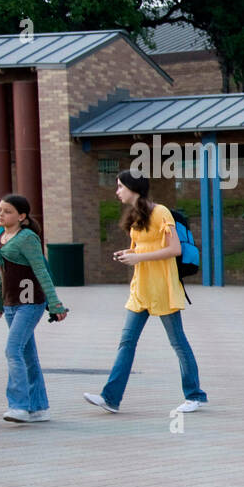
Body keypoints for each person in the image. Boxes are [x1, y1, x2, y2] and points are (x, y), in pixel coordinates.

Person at [84, 170, 207, 415]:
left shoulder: (161, 212)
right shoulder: (135, 215)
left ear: (133, 188)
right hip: (140, 288)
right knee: (127, 342)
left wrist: (139, 257)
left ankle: (195, 395)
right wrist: (129, 254)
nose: (117, 192)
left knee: (178, 342)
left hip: (162, 287)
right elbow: (142, 248)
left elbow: (174, 249)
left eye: (120, 186)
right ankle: (111, 398)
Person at [0, 194, 69, 422]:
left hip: (30, 303)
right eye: (0, 210)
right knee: (28, 355)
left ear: (22, 216)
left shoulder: (28, 238)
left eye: (7, 211)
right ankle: (39, 408)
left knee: (12, 350)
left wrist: (55, 304)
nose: (1, 214)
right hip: (10, 304)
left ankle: (19, 406)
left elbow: (42, 271)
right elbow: (3, 275)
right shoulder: (1, 236)